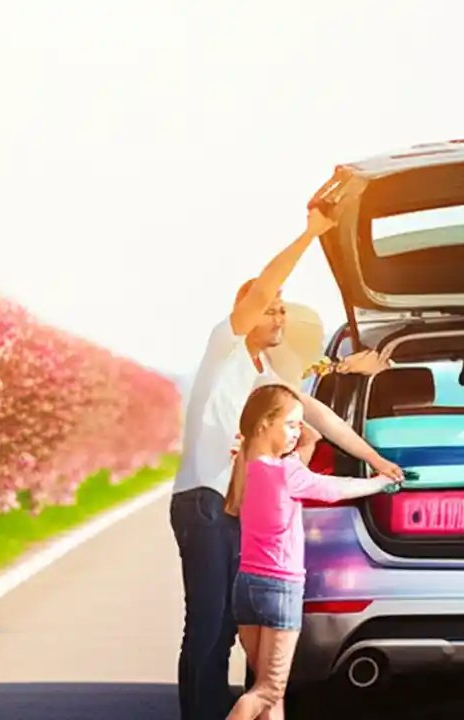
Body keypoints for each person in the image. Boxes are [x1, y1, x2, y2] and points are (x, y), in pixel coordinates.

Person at [170, 207, 405, 720]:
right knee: (208, 624)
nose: (277, 316)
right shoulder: (225, 347)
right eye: (270, 308)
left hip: (237, 508)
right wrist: (311, 234)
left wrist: (375, 459)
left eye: (282, 310)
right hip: (205, 501)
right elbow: (263, 287)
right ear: (246, 311)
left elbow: (318, 414)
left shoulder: (269, 373)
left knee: (228, 629)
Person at [224, 383, 400, 719]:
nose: (296, 432)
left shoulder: (244, 462)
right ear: (264, 423)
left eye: (297, 425)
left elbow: (306, 443)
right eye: (290, 424)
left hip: (247, 586)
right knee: (268, 690)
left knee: (271, 695)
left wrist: (300, 427)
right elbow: (335, 489)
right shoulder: (287, 472)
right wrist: (380, 481)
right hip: (281, 588)